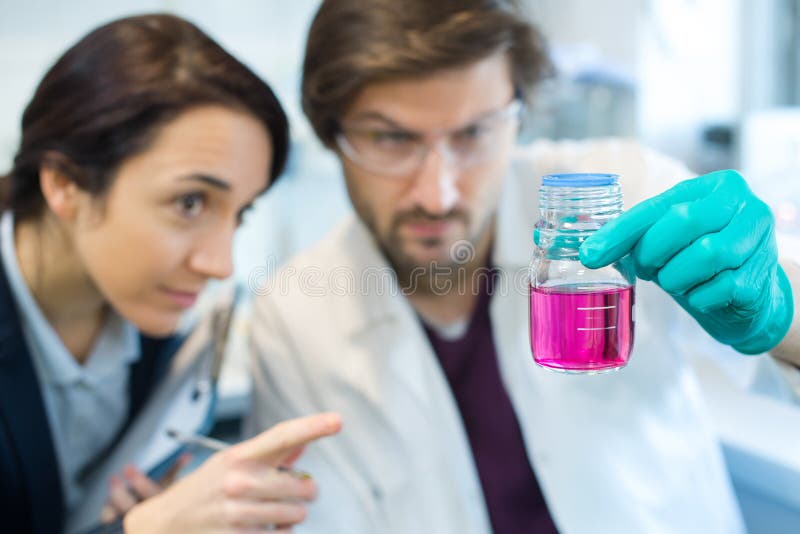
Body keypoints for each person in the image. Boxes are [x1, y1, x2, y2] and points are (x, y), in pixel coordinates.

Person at [246, 1, 799, 533]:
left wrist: (780, 311)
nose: (437, 195)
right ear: (330, 134)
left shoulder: (620, 198)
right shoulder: (295, 318)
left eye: (473, 133)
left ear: (519, 115)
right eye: (391, 139)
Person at [0, 14, 341, 534]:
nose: (221, 265)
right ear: (65, 184)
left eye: (240, 212)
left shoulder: (155, 325)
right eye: (189, 203)